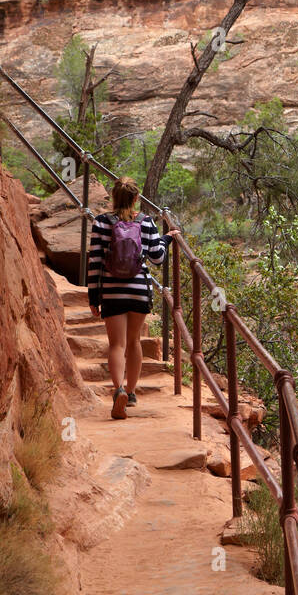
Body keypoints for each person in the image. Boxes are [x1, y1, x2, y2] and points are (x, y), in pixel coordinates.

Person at [86, 176, 178, 420]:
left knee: (117, 344)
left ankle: (118, 391)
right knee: (135, 341)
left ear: (113, 197)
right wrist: (167, 237)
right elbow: (158, 258)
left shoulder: (101, 223)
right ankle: (132, 391)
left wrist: (93, 297)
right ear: (136, 198)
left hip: (112, 290)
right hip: (139, 289)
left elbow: (94, 262)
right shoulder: (146, 222)